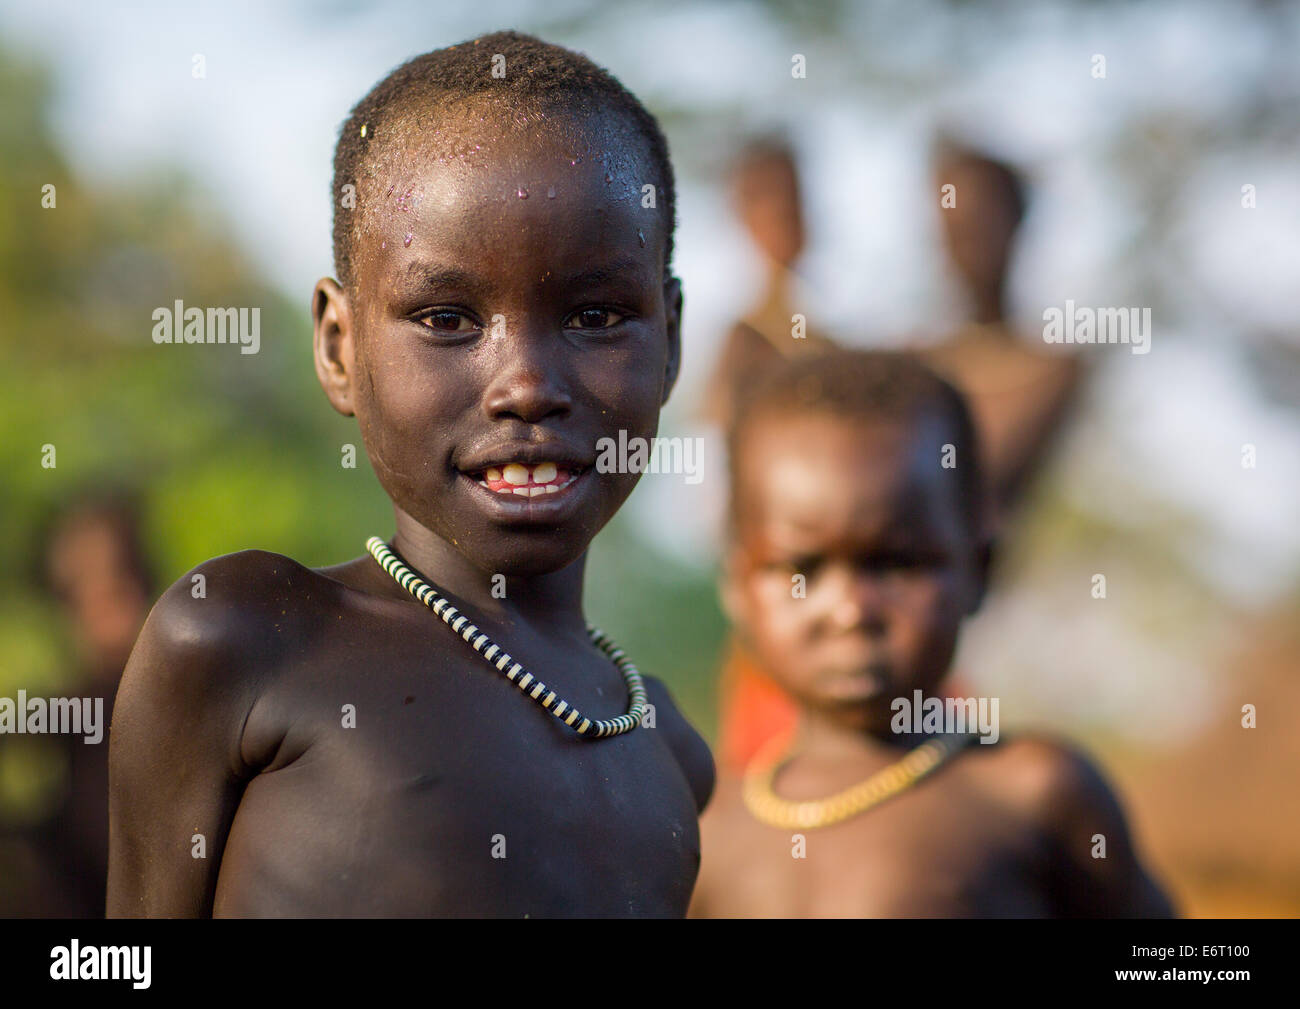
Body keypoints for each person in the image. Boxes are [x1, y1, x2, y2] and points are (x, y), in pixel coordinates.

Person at [108, 31, 713, 918]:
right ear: (339, 346)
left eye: (595, 315)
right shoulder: (244, 641)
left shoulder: (667, 751)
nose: (526, 385)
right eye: (446, 317)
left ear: (671, 339)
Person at [690, 350, 1173, 916]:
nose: (850, 610)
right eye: (802, 570)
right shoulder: (704, 832)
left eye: (896, 565)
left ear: (980, 571)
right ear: (737, 584)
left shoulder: (1034, 795)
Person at [923, 138, 1084, 522]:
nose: (964, 246)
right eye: (953, 228)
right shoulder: (912, 360)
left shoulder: (1052, 369)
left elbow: (975, 482)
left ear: (1016, 223)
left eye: (979, 226)